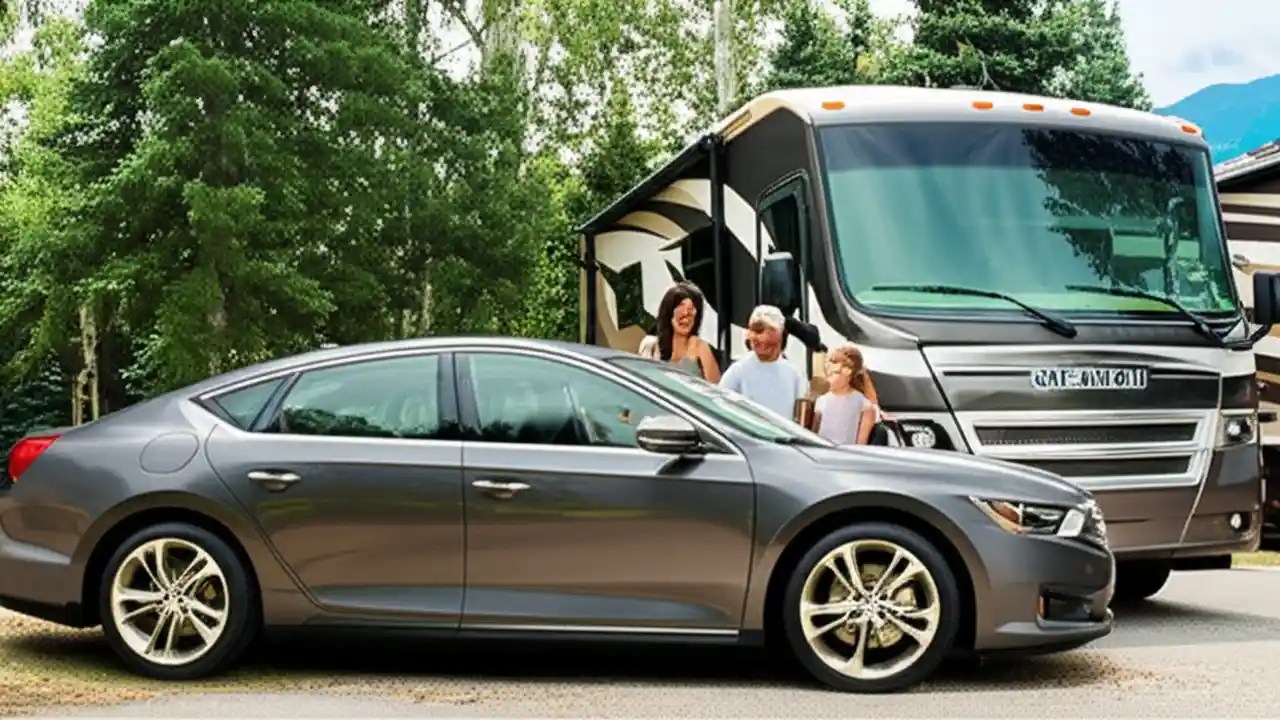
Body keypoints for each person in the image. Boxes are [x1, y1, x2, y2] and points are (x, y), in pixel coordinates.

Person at [720, 305, 807, 419]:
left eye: (759, 332)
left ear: (778, 333)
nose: (753, 338)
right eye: (751, 331)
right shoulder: (738, 371)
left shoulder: (794, 374)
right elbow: (720, 409)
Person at [637, 281, 721, 382]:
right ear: (669, 313)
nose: (686, 313)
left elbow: (717, 389)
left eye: (691, 309)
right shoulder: (650, 346)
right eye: (681, 306)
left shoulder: (699, 347)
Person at [813, 344, 880, 445]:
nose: (828, 379)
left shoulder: (863, 405)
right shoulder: (821, 401)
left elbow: (861, 444)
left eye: (833, 374)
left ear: (847, 372)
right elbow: (814, 435)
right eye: (827, 375)